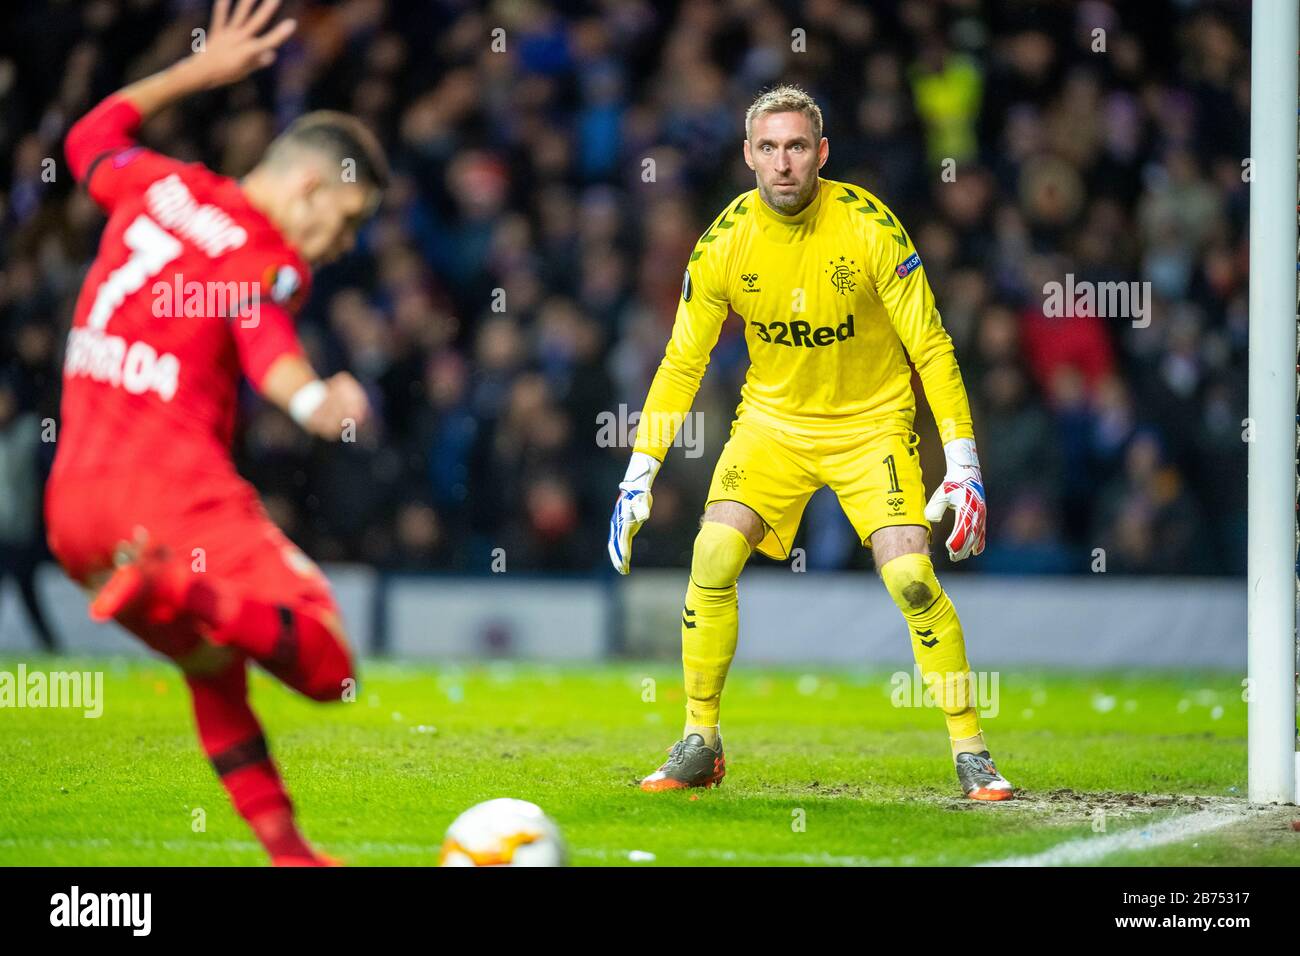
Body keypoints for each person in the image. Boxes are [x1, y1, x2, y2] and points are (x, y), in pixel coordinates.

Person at [44, 0, 388, 865]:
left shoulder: (158, 185)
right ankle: (181, 587)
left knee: (212, 667)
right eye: (346, 221)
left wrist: (198, 71)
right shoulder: (261, 257)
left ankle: (289, 853)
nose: (340, 245)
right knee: (329, 663)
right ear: (310, 186)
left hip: (75, 512)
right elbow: (269, 348)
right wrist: (322, 406)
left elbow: (88, 136)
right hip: (165, 497)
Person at [609, 85, 1013, 800]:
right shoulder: (724, 244)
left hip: (872, 425)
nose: (783, 163)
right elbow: (682, 362)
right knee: (711, 552)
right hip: (772, 425)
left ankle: (971, 750)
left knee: (912, 580)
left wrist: (964, 463)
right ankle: (700, 741)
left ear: (821, 153)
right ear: (747, 157)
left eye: (797, 146)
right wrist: (639, 472)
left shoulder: (870, 228)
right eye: (768, 148)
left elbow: (931, 346)